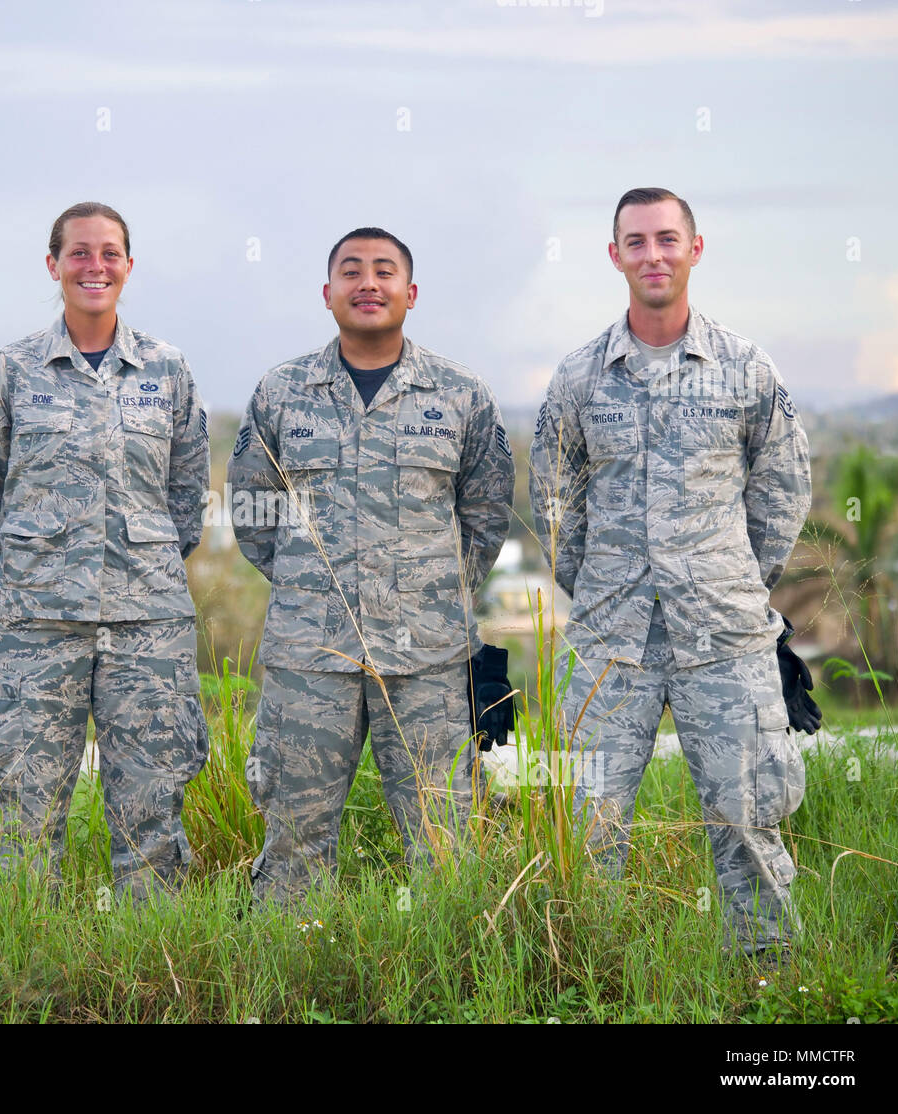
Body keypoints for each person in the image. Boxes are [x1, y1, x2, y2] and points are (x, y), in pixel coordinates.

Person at [529, 187, 816, 960]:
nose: (652, 254)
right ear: (614, 254)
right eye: (636, 241)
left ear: (695, 249)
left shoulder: (745, 368)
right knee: (586, 823)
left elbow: (782, 490)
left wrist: (727, 577)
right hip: (607, 642)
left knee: (748, 822)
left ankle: (771, 989)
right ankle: (589, 984)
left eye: (666, 239)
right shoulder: (581, 376)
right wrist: (604, 584)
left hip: (724, 637)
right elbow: (555, 503)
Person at [227, 227, 514, 902]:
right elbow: (253, 511)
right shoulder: (282, 392)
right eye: (351, 271)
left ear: (410, 293)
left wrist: (427, 591)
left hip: (429, 660)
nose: (368, 283)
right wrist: (312, 584)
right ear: (327, 294)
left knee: (447, 844)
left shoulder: (459, 394)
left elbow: (486, 514)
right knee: (293, 844)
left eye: (385, 271)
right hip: (310, 655)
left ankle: (452, 993)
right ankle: (291, 984)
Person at [0, 201, 209, 899]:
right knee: (28, 818)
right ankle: (22, 971)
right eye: (79, 253)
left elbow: (187, 497)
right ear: (53, 265)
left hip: (147, 628)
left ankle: (151, 973)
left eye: (109, 253)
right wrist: (46, 558)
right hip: (34, 625)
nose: (94, 266)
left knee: (152, 816)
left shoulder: (169, 371)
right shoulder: (12, 371)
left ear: (129, 266)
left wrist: (136, 567)